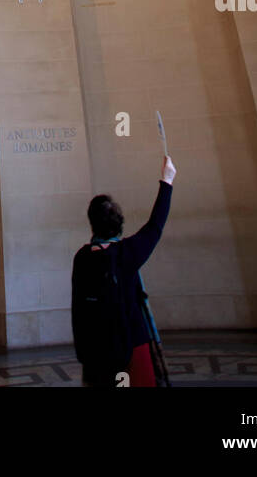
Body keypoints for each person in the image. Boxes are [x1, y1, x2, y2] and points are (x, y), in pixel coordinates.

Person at [72, 156, 176, 388]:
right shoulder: (126, 254)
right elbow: (155, 225)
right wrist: (167, 180)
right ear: (119, 223)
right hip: (133, 344)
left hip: (96, 351)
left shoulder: (82, 258)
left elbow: (77, 308)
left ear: (92, 223)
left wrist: (83, 354)